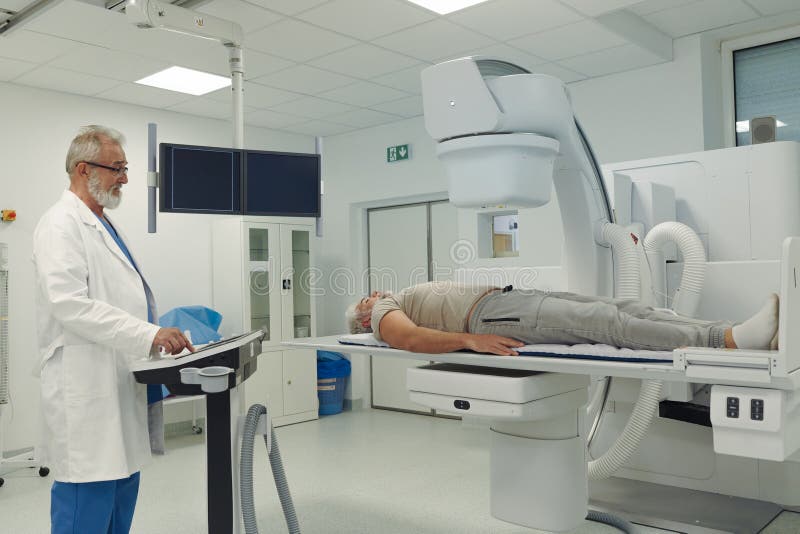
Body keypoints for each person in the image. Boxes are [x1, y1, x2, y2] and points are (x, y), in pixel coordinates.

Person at [33, 125, 195, 534]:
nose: (124, 178)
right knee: (86, 502)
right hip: (85, 388)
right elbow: (69, 303)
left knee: (122, 493)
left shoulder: (103, 223)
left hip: (119, 382)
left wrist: (153, 336)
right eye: (116, 168)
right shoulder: (60, 225)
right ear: (83, 169)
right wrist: (147, 334)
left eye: (125, 168)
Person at [346, 282, 779, 356]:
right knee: (606, 323)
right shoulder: (385, 310)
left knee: (621, 309)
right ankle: (728, 341)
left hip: (506, 301)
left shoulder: (395, 299)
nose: (373, 296)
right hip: (491, 317)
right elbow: (409, 339)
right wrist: (469, 340)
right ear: (364, 319)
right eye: (366, 300)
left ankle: (733, 331)